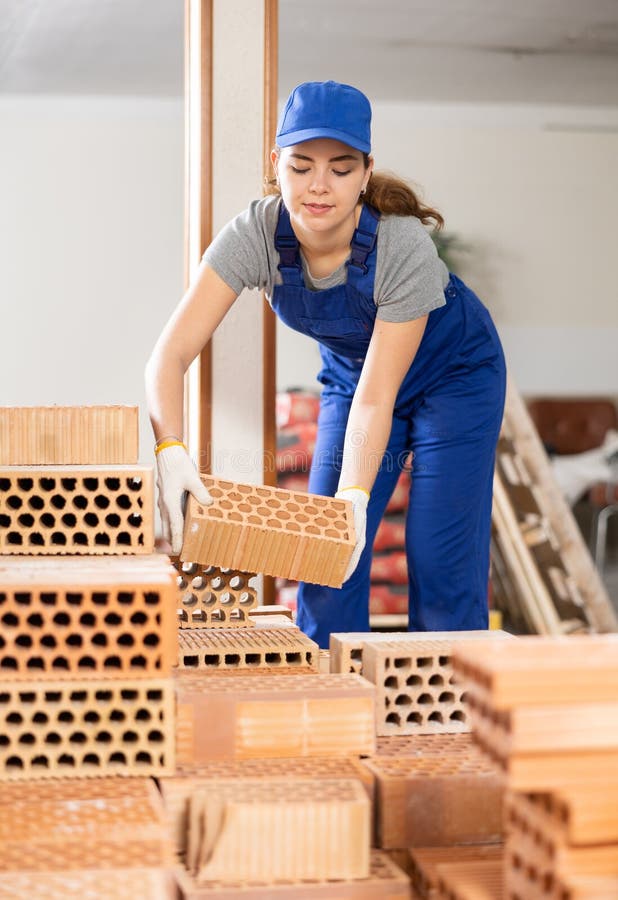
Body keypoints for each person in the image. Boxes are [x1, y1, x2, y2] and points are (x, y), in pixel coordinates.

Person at [145, 80, 507, 649]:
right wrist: (169, 449)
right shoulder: (254, 235)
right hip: (353, 378)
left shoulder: (402, 247)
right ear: (276, 165)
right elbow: (169, 355)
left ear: (366, 171)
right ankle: (329, 701)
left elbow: (379, 398)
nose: (319, 186)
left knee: (438, 555)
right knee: (327, 553)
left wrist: (356, 495)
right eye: (301, 165)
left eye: (340, 168)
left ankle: (448, 710)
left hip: (453, 379)